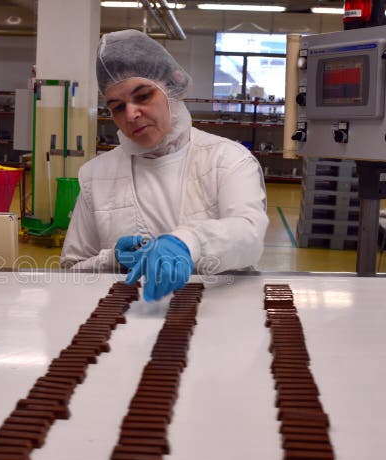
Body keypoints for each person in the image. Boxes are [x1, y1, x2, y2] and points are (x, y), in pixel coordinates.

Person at [61, 29, 268, 301]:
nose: (132, 114)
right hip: (127, 323)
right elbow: (70, 270)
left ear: (174, 87)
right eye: (118, 106)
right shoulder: (95, 175)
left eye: (143, 96)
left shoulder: (227, 159)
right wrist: (113, 259)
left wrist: (188, 242)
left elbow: (249, 234)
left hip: (217, 319)